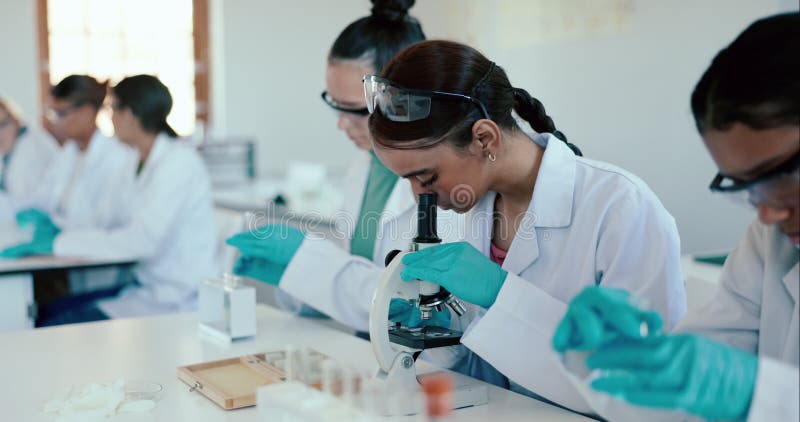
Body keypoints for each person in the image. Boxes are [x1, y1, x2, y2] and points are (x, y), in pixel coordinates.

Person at [364, 39, 687, 414]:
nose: (420, 195)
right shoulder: (474, 203)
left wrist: (502, 295)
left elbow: (643, 388)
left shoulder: (620, 209)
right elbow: (491, 368)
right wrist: (446, 333)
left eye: (426, 176)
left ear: (484, 138)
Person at [553, 12, 798, 421]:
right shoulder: (767, 244)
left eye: (780, 176)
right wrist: (610, 354)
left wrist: (759, 394)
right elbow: (677, 407)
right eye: (745, 187)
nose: (768, 213)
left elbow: (747, 393)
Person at [226, 0, 459, 332]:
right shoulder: (363, 166)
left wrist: (312, 266)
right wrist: (299, 278)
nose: (342, 124)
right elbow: (350, 274)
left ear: (404, 98)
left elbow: (426, 312)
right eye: (334, 105)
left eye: (354, 110)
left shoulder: (446, 183)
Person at [2, 75, 218, 325]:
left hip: (176, 299)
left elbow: (142, 241)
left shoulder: (178, 163)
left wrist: (59, 243)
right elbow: (105, 219)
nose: (108, 118)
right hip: (144, 289)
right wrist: (60, 233)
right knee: (44, 312)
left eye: (112, 109)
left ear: (130, 114)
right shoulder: (135, 161)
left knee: (51, 322)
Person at [9, 75, 138, 231]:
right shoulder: (68, 153)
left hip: (95, 249)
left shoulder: (117, 157)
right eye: (52, 113)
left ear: (88, 112)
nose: (54, 122)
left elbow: (106, 221)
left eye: (61, 114)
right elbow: (42, 198)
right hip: (69, 247)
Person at [0, 97, 60, 222]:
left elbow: (31, 203)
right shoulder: (10, 149)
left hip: (46, 224)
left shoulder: (33, 149)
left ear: (16, 121)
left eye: (2, 125)